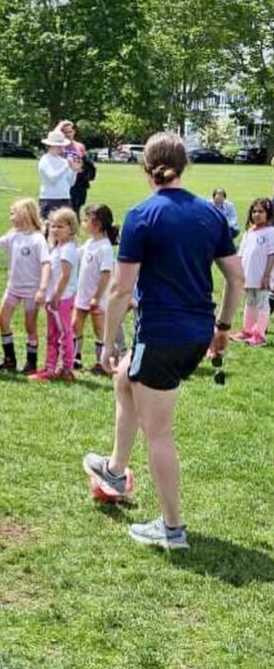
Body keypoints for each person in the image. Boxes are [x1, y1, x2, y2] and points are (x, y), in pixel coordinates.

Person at [82, 133, 242, 550]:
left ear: (145, 167)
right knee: (125, 380)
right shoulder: (212, 214)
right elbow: (236, 278)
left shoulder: (141, 215)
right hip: (196, 332)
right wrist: (223, 329)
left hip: (163, 335)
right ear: (185, 165)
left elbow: (119, 290)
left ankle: (172, 529)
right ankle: (115, 470)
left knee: (159, 433)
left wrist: (105, 343)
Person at [0, 198, 50, 374]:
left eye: (14, 212)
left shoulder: (37, 239)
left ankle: (31, 363)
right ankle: (9, 360)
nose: (11, 216)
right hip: (13, 287)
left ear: (25, 214)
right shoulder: (13, 235)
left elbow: (46, 263)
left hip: (31, 290)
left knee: (30, 326)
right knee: (2, 320)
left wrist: (42, 289)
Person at [29, 207, 79, 382]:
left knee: (64, 333)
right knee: (52, 334)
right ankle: (50, 367)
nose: (55, 230)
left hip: (62, 298)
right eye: (53, 226)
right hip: (54, 297)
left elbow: (65, 275)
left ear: (71, 228)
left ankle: (66, 368)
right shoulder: (57, 247)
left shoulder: (68, 249)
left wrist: (56, 296)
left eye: (60, 226)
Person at [72, 204, 120, 373]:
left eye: (86, 220)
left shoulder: (104, 248)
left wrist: (97, 297)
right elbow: (76, 254)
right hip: (83, 294)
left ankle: (102, 361)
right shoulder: (90, 242)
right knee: (75, 324)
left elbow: (106, 275)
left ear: (97, 224)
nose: (83, 223)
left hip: (97, 297)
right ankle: (75, 357)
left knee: (99, 328)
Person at [230, 197, 274, 346]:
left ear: (268, 214)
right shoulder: (249, 233)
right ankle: (247, 331)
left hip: (262, 276)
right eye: (254, 211)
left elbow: (271, 254)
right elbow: (241, 255)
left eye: (261, 211)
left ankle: (259, 334)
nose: (257, 214)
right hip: (249, 275)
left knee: (262, 304)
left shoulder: (270, 232)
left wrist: (267, 275)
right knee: (250, 303)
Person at [38, 128, 81, 219]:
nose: (62, 148)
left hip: (65, 197)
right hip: (49, 198)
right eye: (59, 146)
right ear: (51, 146)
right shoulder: (45, 160)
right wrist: (66, 166)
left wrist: (74, 171)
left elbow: (71, 182)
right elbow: (52, 178)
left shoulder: (63, 161)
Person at [57, 120, 94, 218]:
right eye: (65, 132)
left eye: (70, 132)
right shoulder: (58, 146)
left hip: (77, 184)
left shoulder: (80, 146)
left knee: (75, 210)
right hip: (63, 182)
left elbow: (86, 164)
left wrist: (82, 169)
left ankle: (74, 232)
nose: (68, 134)